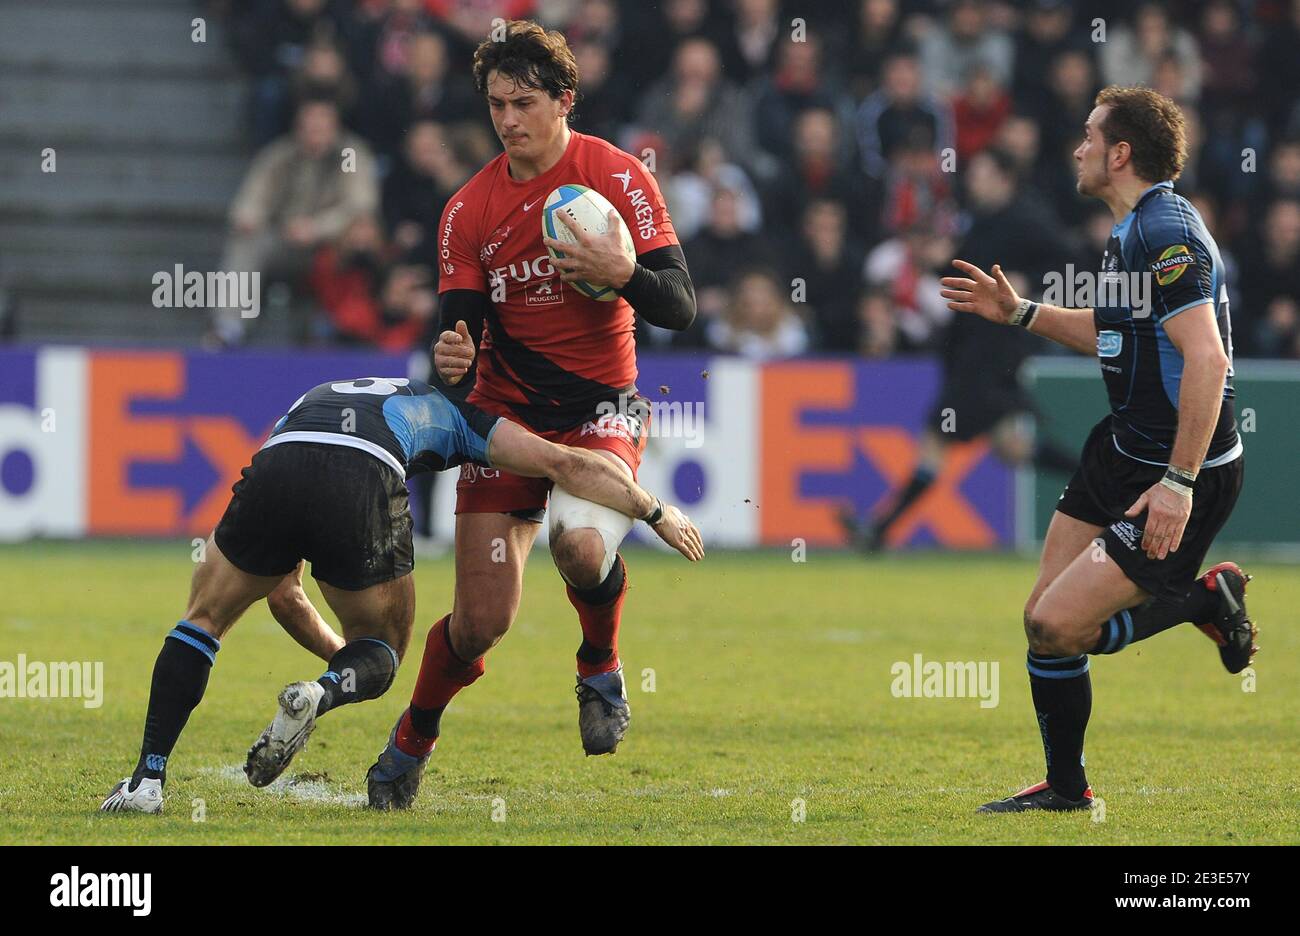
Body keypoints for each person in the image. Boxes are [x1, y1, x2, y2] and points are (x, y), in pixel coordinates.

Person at [99, 377, 702, 814]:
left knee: (201, 621)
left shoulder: (325, 392)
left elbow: (284, 594)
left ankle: (146, 781)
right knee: (385, 653)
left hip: (277, 461)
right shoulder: (459, 413)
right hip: (362, 475)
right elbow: (568, 465)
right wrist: (654, 510)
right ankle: (325, 692)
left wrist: (336, 662)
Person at [365, 20, 698, 811]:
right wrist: (452, 357)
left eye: (523, 103)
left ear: (564, 101)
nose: (508, 120)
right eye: (495, 105)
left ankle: (598, 669)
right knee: (481, 623)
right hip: (507, 417)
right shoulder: (469, 209)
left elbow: (680, 306)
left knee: (580, 547)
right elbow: (460, 335)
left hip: (601, 409)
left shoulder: (618, 178)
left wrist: (623, 273)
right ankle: (412, 738)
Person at [938, 87, 1256, 813]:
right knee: (1044, 622)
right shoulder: (1130, 229)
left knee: (1059, 625)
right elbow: (1111, 333)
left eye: (1089, 136)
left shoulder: (1165, 230)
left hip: (1182, 466)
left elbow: (1207, 360)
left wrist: (1177, 483)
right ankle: (1066, 788)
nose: (1077, 147)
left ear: (1120, 154)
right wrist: (1019, 312)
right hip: (1121, 448)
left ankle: (1201, 598)